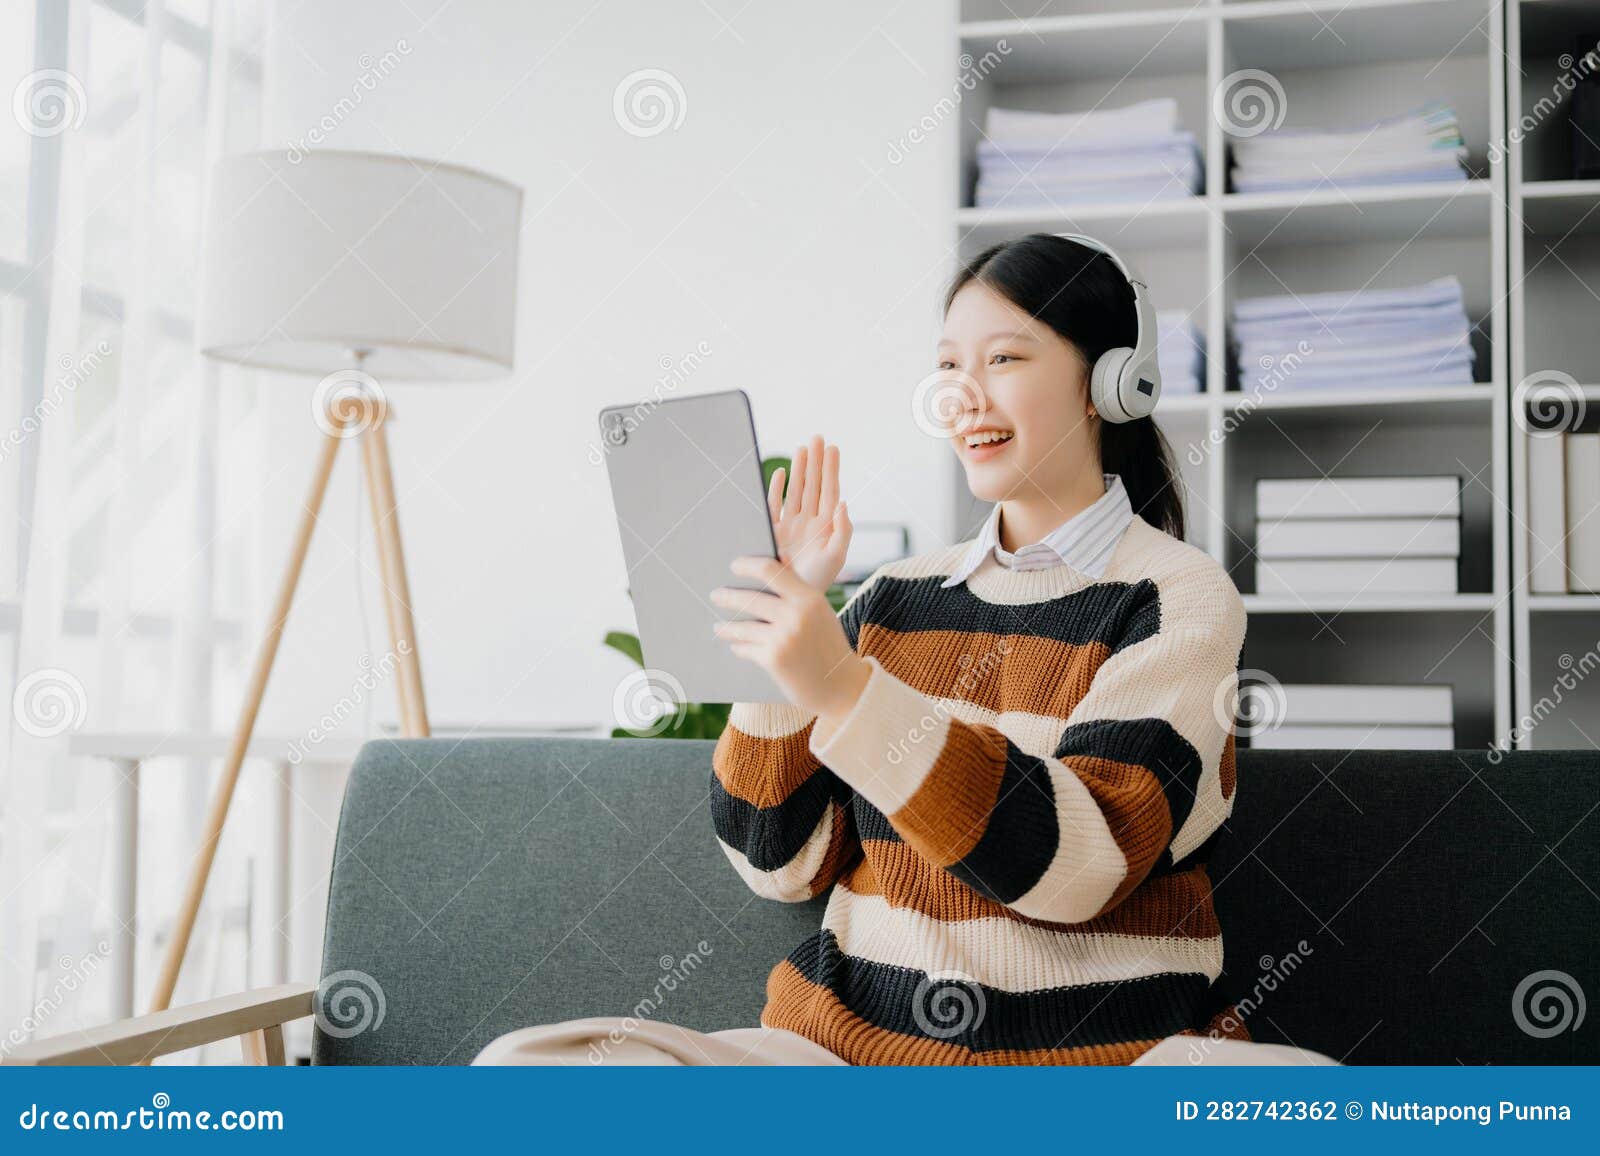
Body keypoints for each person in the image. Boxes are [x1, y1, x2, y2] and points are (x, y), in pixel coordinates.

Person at [474, 233, 1340, 1067]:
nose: (963, 394)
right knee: (528, 1069)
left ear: (1105, 384)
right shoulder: (892, 598)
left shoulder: (1176, 597)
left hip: (1109, 1070)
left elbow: (1079, 863)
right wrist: (786, 650)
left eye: (1003, 359)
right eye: (948, 367)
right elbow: (777, 861)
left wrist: (848, 691)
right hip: (841, 1063)